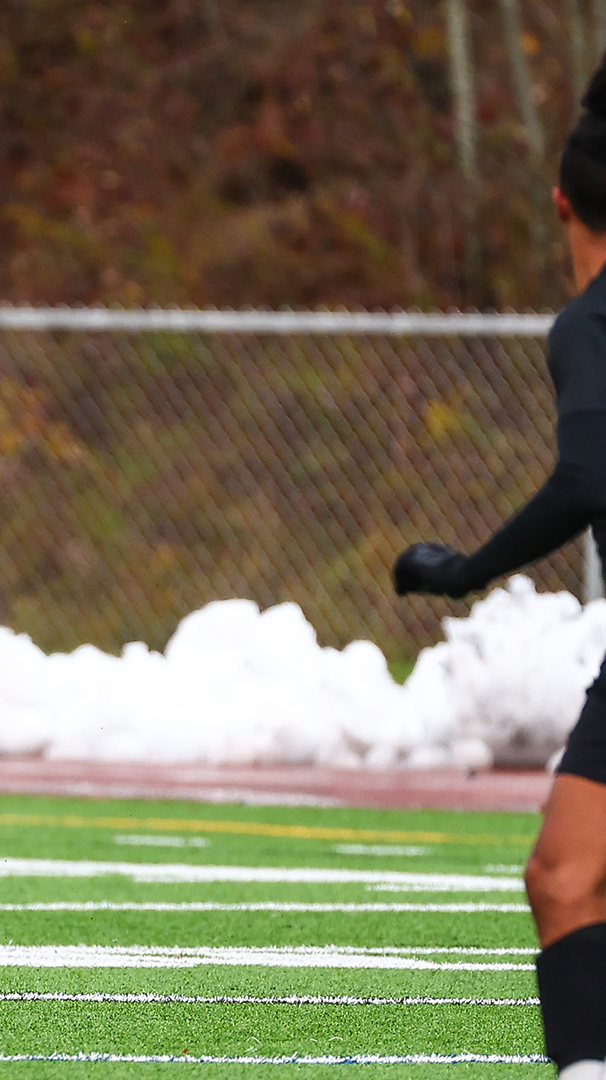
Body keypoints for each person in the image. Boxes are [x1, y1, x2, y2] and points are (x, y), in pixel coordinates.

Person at [394, 67, 606, 1080]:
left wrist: (467, 571)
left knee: (565, 877)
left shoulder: (590, 323)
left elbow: (589, 473)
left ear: (562, 202)